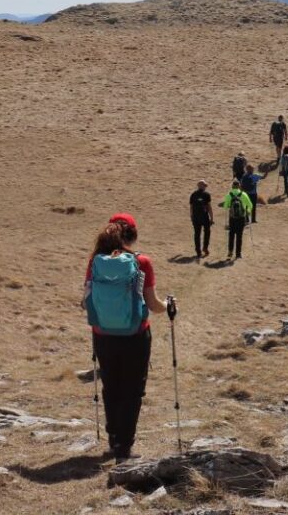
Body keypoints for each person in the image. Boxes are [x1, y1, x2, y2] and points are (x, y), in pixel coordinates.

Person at [83, 214, 170, 462]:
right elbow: (153, 304)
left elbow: (85, 299)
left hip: (102, 334)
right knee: (132, 390)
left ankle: (113, 441)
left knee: (111, 386)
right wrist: (170, 305)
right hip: (135, 334)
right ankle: (124, 447)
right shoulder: (141, 262)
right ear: (132, 235)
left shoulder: (95, 262)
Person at [219, 181, 252, 260]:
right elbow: (250, 205)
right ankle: (238, 254)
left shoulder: (229, 195)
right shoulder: (243, 194)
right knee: (239, 236)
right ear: (239, 186)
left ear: (232, 186)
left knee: (231, 235)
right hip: (241, 218)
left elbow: (225, 207)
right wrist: (248, 212)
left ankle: (230, 252)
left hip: (232, 218)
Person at [189, 180, 213, 259]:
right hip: (204, 216)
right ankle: (205, 248)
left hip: (196, 217)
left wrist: (191, 216)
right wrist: (211, 218)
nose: (205, 187)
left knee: (197, 234)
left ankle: (198, 251)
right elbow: (209, 207)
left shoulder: (193, 194)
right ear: (202, 186)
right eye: (205, 185)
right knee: (207, 232)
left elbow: (191, 207)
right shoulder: (206, 194)